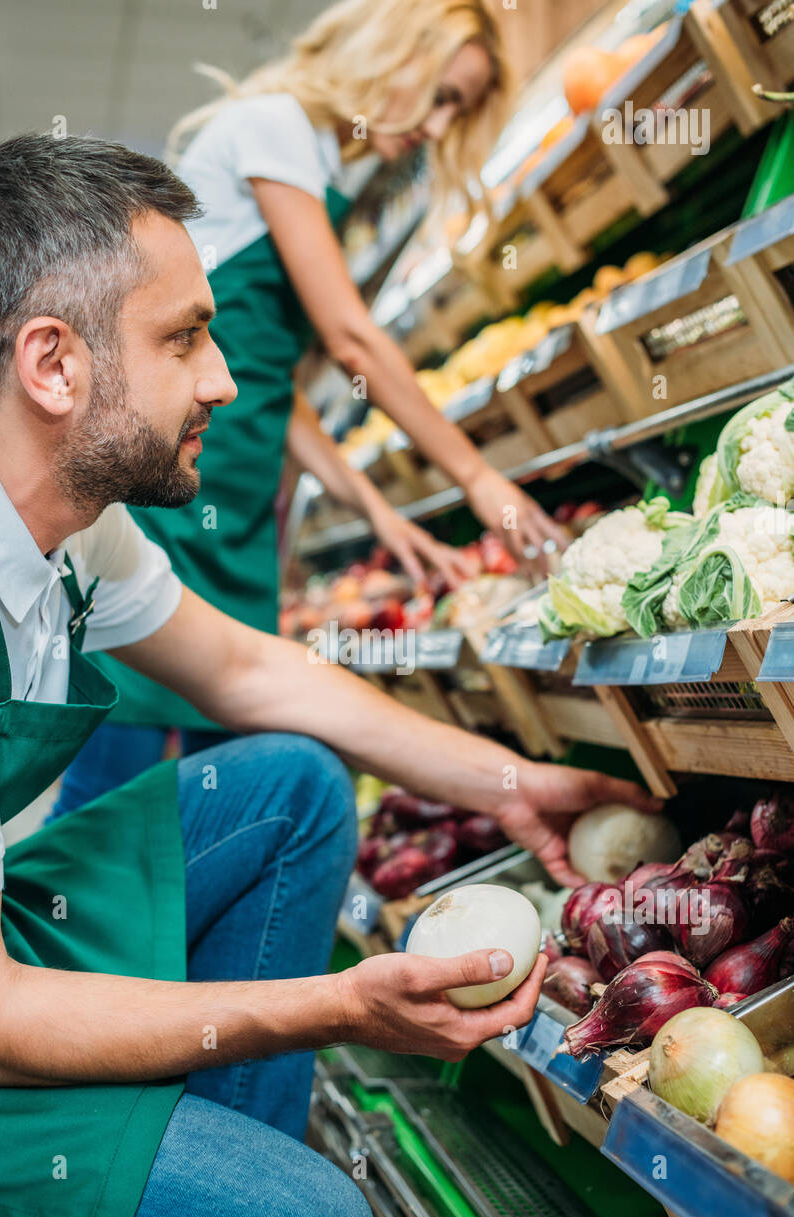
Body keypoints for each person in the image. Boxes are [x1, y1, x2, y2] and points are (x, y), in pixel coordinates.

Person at [0, 133, 657, 1217]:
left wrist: (519, 783)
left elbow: (254, 675)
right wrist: (341, 1008)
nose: (224, 379)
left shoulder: (65, 519)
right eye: (185, 338)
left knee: (294, 784)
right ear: (52, 366)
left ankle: (177, 1203)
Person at [50, 0, 567, 817]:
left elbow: (267, 378)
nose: (437, 126)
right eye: (440, 92)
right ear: (390, 53)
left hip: (239, 498)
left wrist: (373, 508)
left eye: (458, 110)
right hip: (183, 483)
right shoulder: (277, 127)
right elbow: (350, 339)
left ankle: (194, 920)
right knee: (136, 732)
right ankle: (64, 923)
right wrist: (477, 479)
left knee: (240, 739)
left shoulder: (322, 166)